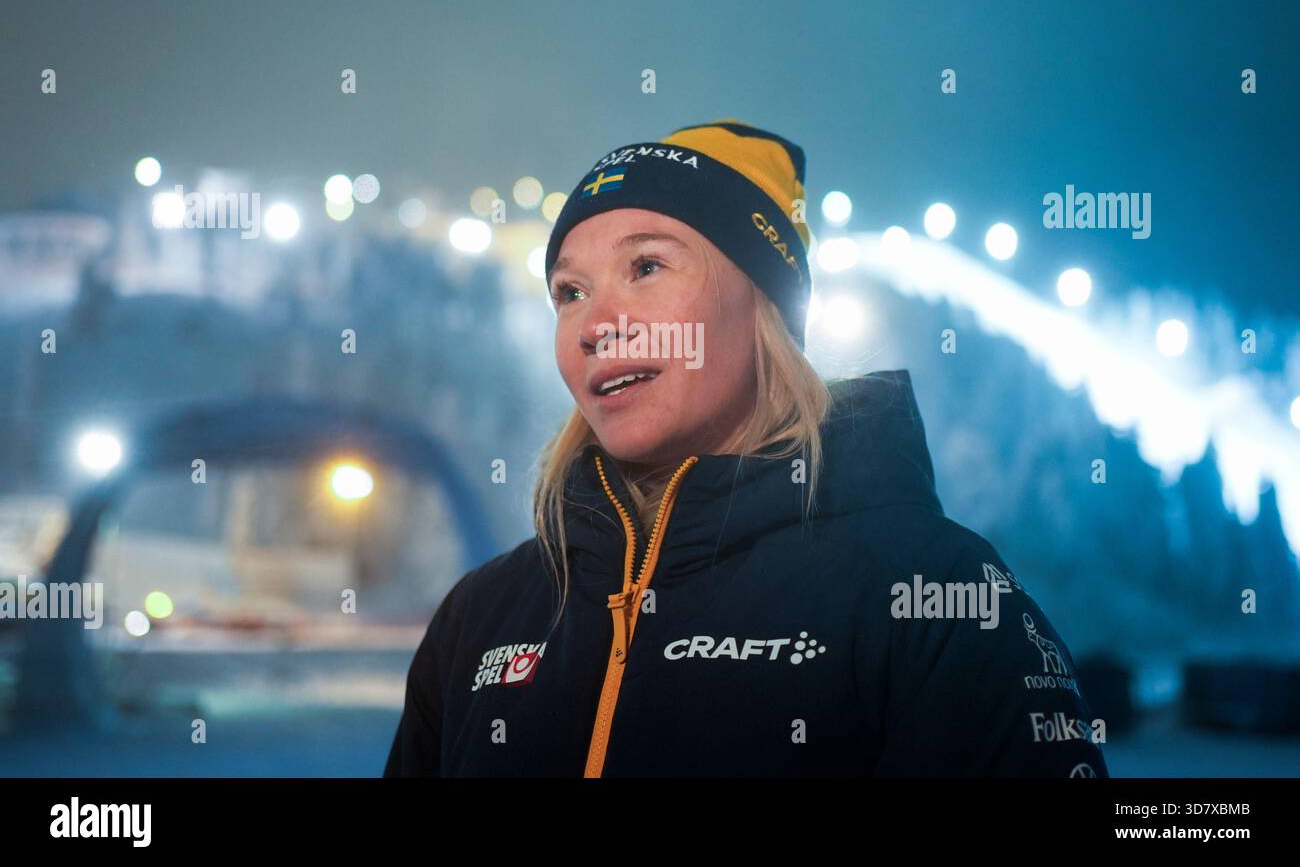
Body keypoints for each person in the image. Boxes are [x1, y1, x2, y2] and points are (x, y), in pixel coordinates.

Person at [384, 119, 1109, 777]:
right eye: (569, 291)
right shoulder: (483, 616)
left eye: (645, 268)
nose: (594, 324)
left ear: (764, 304)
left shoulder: (936, 597)